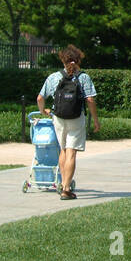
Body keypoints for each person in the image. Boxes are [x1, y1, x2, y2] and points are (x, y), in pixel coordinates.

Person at [36, 45, 100, 200]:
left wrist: (42, 111)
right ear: (78, 60)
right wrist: (96, 120)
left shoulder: (53, 77)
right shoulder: (83, 77)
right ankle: (66, 188)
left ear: (63, 59)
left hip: (58, 118)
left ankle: (62, 184)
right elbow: (90, 100)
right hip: (76, 118)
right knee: (72, 152)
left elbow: (40, 98)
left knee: (63, 150)